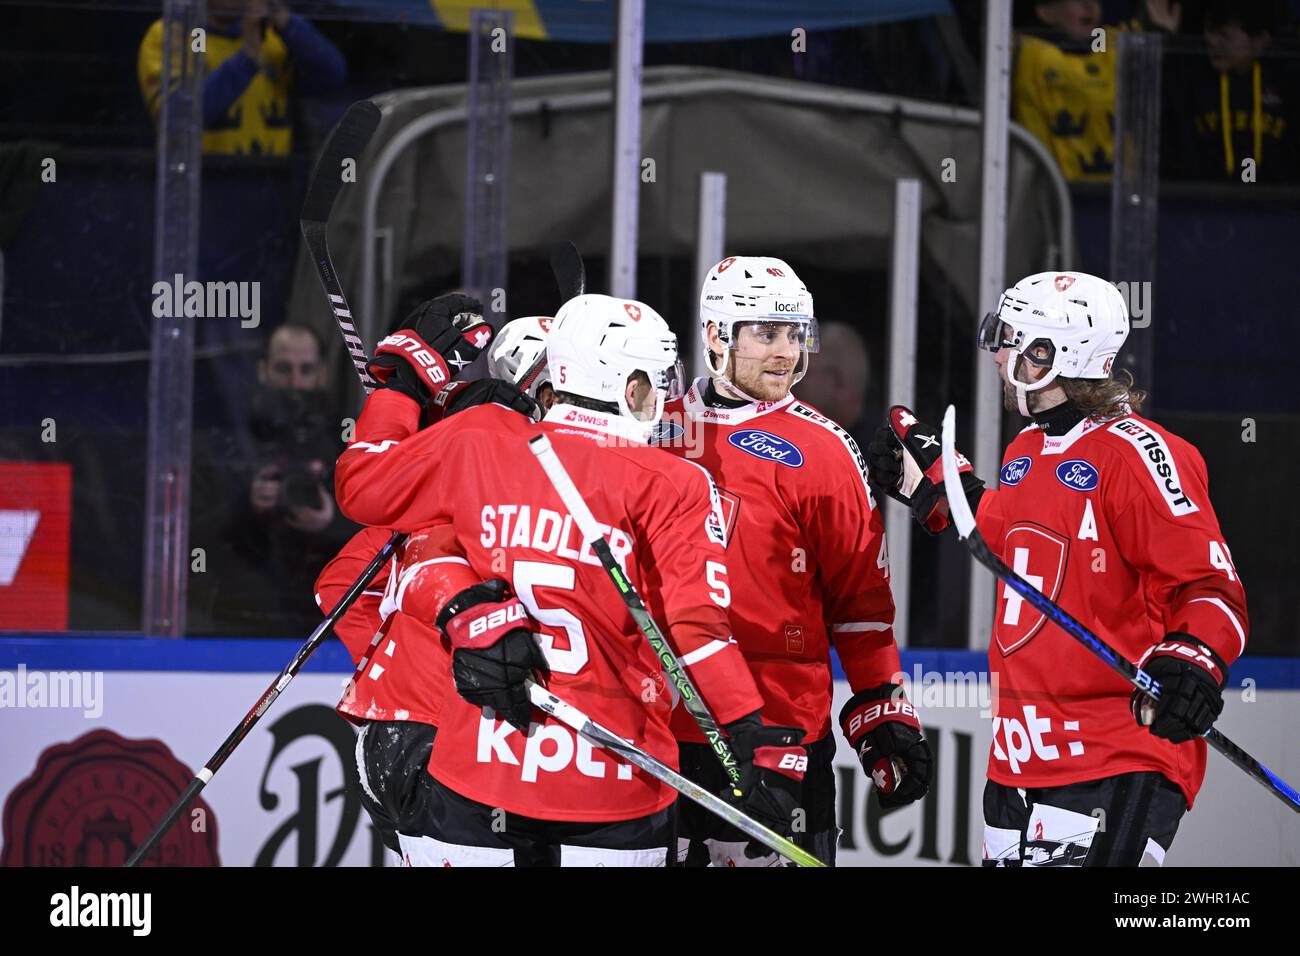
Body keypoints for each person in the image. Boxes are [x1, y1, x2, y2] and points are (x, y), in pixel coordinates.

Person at [333, 293, 802, 866]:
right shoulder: (674, 482)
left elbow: (362, 486)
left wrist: (403, 387)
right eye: (659, 382)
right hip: (613, 786)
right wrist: (746, 730)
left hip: (480, 773)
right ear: (632, 387)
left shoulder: (479, 436)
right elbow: (697, 629)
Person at [869, 271, 1249, 866]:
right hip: (1018, 760)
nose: (998, 355)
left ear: (1054, 355)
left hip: (1112, 754)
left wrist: (1194, 658)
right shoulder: (1027, 448)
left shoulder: (1141, 454)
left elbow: (1210, 585)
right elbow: (1029, 550)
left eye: (1012, 341)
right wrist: (946, 490)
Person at [656, 256, 932, 867]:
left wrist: (882, 705)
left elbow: (862, 608)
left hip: (780, 736)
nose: (786, 352)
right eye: (766, 333)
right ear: (716, 335)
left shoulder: (826, 450)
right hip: (656, 731)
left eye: (795, 333)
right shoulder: (652, 431)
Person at [313, 315, 555, 860]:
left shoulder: (436, 488)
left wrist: (388, 668)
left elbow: (338, 586)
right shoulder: (503, 480)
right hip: (446, 740)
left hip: (395, 734)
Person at [189, 322, 357, 635]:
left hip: (329, 619)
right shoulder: (230, 441)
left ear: (322, 374)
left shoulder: (350, 442)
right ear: (263, 370)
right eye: (283, 368)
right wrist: (247, 505)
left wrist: (331, 521)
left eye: (306, 370)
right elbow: (189, 538)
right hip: (241, 618)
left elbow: (382, 530)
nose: (295, 381)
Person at [138, 0, 346, 156]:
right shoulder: (169, 35)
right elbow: (178, 118)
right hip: (205, 181)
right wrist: (248, 57)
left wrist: (289, 24)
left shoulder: (273, 36)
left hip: (274, 181)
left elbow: (332, 76)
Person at [1161, 1, 1300, 183]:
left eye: (1224, 35)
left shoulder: (1287, 83)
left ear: (1260, 41)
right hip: (1202, 198)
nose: (1212, 41)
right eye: (1210, 31)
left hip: (1276, 199)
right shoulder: (1189, 82)